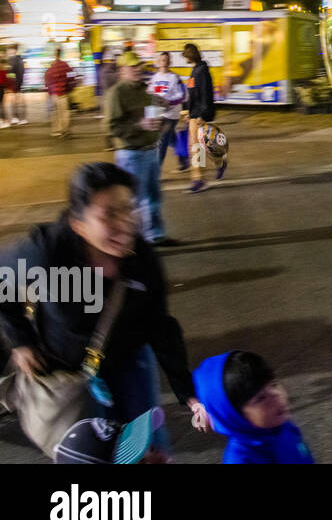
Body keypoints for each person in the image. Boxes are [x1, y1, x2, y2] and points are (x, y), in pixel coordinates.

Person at [0, 162, 210, 459]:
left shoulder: (142, 260)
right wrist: (21, 341)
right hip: (67, 372)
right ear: (79, 224)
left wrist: (188, 395)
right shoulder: (47, 251)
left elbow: (161, 326)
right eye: (109, 214)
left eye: (128, 208)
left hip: (128, 361)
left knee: (150, 450)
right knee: (94, 454)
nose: (125, 223)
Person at [192, 350, 315, 464]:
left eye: (273, 384)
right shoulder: (242, 459)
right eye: (261, 398)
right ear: (234, 417)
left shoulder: (283, 426)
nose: (277, 395)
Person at [106, 52, 166, 245]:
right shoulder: (116, 93)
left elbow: (154, 113)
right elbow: (112, 127)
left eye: (138, 66)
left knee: (154, 197)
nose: (137, 70)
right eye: (132, 67)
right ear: (122, 70)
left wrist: (160, 114)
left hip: (150, 150)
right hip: (131, 154)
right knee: (134, 201)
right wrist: (140, 126)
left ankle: (155, 235)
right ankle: (136, 243)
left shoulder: (144, 89)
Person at [182, 42, 225, 192]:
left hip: (200, 116)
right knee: (200, 147)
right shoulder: (195, 70)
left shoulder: (202, 71)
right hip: (195, 115)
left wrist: (201, 115)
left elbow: (206, 95)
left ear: (189, 55)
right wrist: (189, 112)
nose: (184, 58)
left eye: (185, 55)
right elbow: (193, 95)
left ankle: (198, 180)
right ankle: (219, 162)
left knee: (197, 148)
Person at [147, 51, 188, 171]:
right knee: (171, 140)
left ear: (170, 62)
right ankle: (183, 158)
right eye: (162, 60)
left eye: (167, 60)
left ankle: (156, 172)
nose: (164, 62)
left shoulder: (175, 78)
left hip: (171, 114)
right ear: (158, 62)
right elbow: (150, 93)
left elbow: (183, 96)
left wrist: (169, 103)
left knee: (162, 142)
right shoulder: (155, 77)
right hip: (158, 113)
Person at [44, 47, 74, 139]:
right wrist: (70, 87)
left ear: (54, 55)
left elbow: (47, 79)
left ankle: (56, 131)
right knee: (64, 112)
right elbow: (72, 75)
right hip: (63, 92)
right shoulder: (64, 65)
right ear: (61, 54)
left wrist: (49, 91)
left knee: (56, 113)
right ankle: (65, 130)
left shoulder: (51, 67)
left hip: (54, 94)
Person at [100, 49, 120, 150]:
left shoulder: (104, 69)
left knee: (110, 120)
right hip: (110, 98)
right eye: (114, 60)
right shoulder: (109, 71)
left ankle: (111, 143)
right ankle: (110, 143)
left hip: (107, 97)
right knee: (110, 120)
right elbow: (115, 82)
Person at [7, 46, 25, 125]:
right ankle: (22, 118)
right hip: (19, 83)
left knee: (14, 101)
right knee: (18, 101)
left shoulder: (12, 59)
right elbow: (22, 71)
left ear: (14, 50)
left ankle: (16, 118)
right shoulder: (20, 59)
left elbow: (10, 72)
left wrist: (11, 83)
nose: (10, 51)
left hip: (15, 84)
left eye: (11, 49)